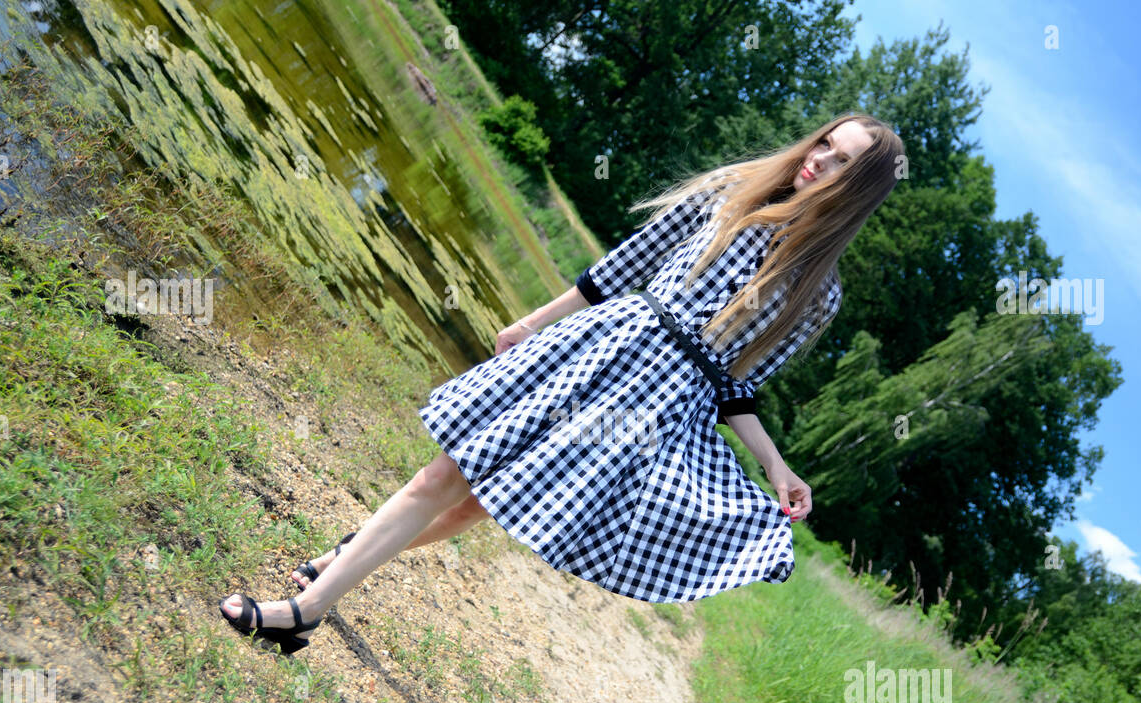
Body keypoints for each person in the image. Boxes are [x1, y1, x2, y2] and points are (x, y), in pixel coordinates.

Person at [220, 113, 905, 654]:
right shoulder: (733, 194)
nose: (821, 160)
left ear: (860, 187)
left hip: (658, 410)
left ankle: (336, 566)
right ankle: (310, 605)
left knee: (483, 504)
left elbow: (735, 386)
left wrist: (777, 466)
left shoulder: (819, 291)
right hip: (602, 349)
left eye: (843, 161)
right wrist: (533, 321)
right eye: (825, 145)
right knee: (446, 477)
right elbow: (619, 268)